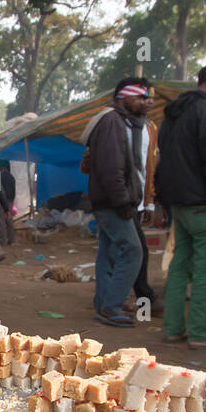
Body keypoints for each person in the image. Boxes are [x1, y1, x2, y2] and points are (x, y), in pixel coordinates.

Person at [155, 60, 206, 348]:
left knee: (180, 266)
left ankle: (173, 329)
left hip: (179, 204)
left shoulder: (174, 113)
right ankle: (201, 333)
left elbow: (163, 159)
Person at [80, 77, 159, 327]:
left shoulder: (118, 121)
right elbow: (111, 167)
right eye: (141, 97)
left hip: (111, 200)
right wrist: (123, 202)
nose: (147, 102)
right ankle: (111, 307)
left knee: (109, 251)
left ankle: (104, 302)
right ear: (124, 97)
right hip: (113, 202)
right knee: (133, 251)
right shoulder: (113, 122)